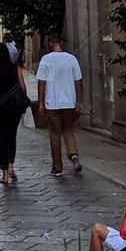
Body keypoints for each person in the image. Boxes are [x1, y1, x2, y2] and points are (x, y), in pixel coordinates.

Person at [36, 32, 83, 176]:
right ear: (60, 43)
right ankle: (73, 155)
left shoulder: (47, 60)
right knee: (68, 129)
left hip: (53, 103)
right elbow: (78, 82)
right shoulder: (71, 59)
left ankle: (57, 167)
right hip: (69, 102)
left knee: (55, 133)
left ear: (50, 43)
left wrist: (41, 103)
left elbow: (43, 83)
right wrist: (79, 101)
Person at [0, 39, 29, 186]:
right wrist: (23, 100)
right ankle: (11, 165)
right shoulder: (14, 67)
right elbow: (22, 86)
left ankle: (4, 174)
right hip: (13, 107)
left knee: (0, 139)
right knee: (11, 136)